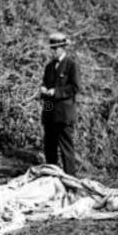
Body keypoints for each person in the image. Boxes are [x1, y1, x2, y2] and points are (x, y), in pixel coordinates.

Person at [39, 32, 80, 176]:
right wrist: (43, 90)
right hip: (49, 112)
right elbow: (45, 84)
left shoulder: (71, 65)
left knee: (66, 149)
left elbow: (74, 88)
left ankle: (71, 179)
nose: (53, 51)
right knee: (49, 147)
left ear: (63, 48)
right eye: (52, 48)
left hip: (63, 114)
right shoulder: (49, 66)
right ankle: (51, 177)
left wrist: (55, 92)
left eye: (56, 48)